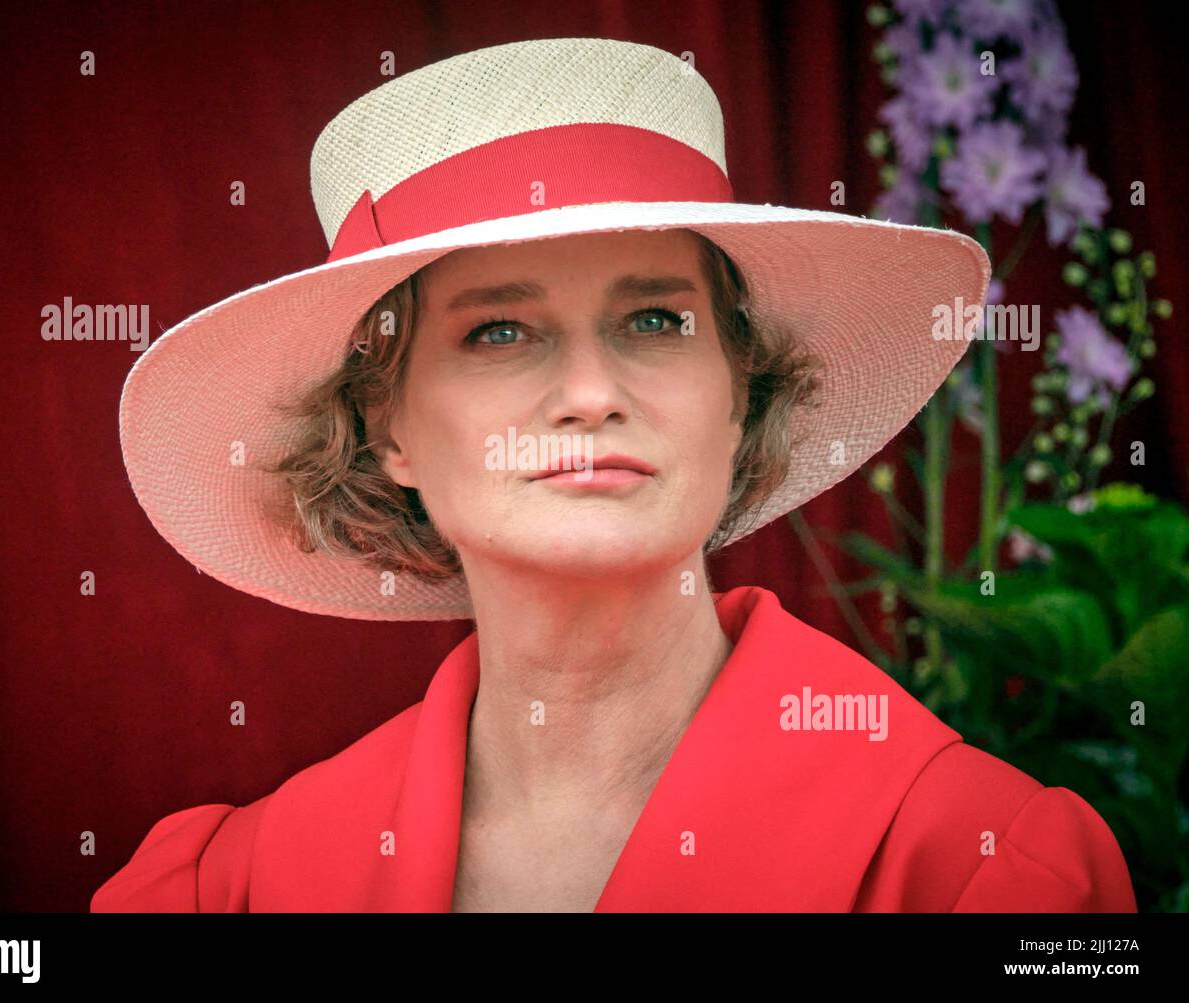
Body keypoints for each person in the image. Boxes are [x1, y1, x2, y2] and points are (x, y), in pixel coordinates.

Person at [91, 37, 1136, 912]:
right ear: (387, 425)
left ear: (739, 393)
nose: (590, 392)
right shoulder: (230, 889)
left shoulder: (979, 864)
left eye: (655, 320)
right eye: (498, 329)